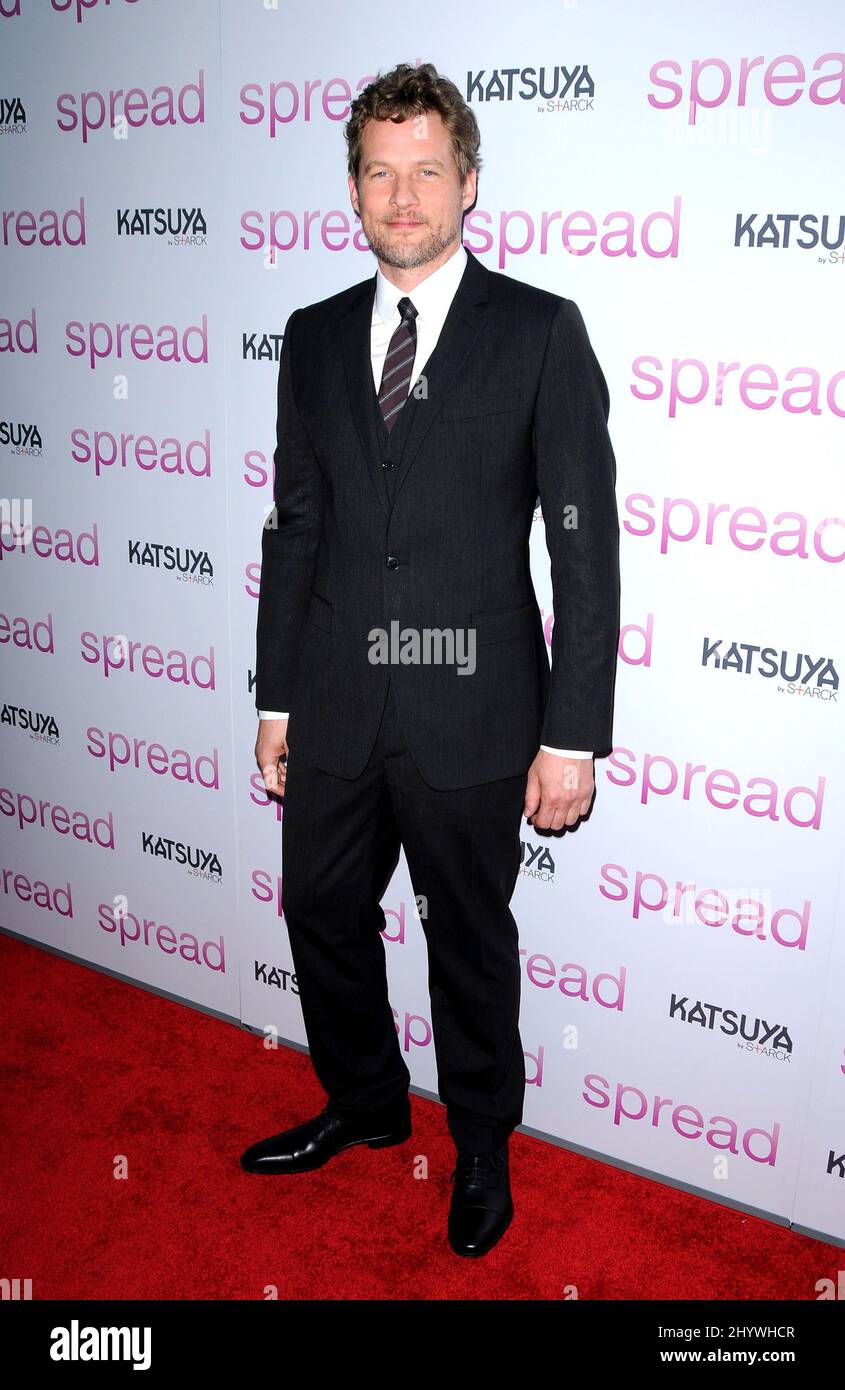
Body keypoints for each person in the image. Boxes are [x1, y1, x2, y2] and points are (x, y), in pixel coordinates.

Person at [241, 61, 621, 1259]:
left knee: (467, 944)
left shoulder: (539, 330)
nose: (401, 197)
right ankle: (361, 1102)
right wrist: (276, 695)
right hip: (339, 703)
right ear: (352, 190)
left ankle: (477, 1146)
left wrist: (571, 732)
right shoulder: (307, 340)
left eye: (425, 171)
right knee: (318, 912)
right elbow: (294, 527)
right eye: (378, 173)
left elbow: (584, 551)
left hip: (475, 714)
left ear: (466, 183)